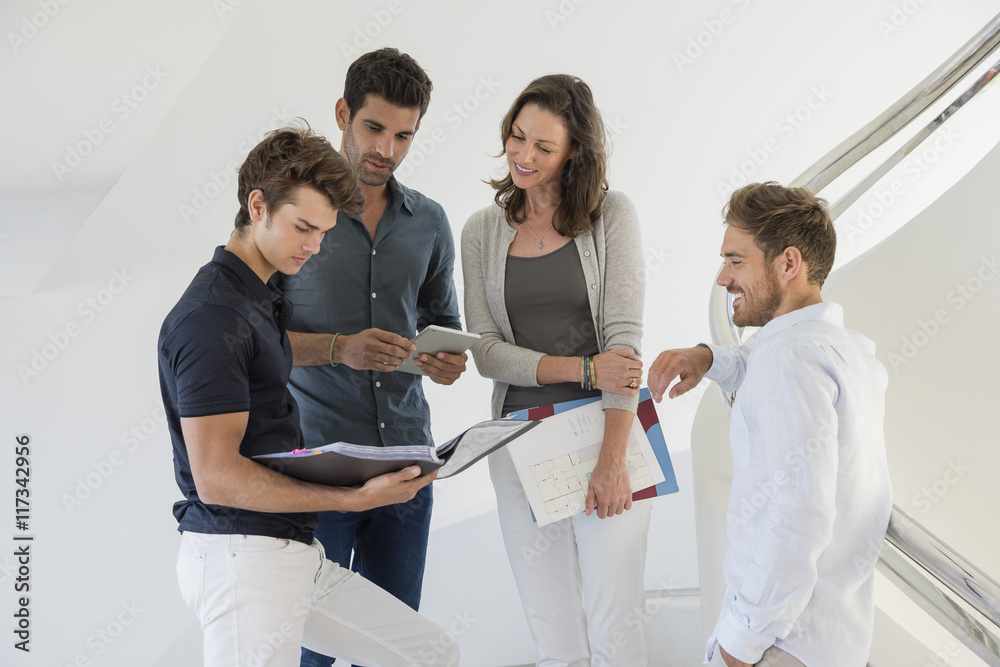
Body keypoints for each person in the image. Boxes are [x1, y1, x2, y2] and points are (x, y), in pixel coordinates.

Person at [158, 125, 458, 667]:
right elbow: (216, 477)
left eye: (323, 232)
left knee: (431, 653)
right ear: (258, 206)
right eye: (303, 228)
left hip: (292, 550)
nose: (314, 247)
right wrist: (350, 499)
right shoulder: (214, 317)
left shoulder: (258, 300)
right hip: (241, 556)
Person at [270, 49, 467, 667]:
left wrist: (447, 360)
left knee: (396, 649)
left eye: (404, 135)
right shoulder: (294, 217)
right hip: (316, 468)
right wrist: (340, 349)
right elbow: (251, 342)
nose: (387, 149)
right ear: (342, 114)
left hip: (407, 462)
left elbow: (444, 324)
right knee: (310, 652)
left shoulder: (429, 221)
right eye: (374, 128)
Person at [648, 182, 892, 667]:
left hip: (780, 645)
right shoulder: (845, 352)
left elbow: (797, 514)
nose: (723, 278)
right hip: (830, 640)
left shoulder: (789, 361)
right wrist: (708, 357)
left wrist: (740, 643)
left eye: (736, 261)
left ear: (788, 264)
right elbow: (758, 361)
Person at [462, 74, 651, 666]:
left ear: (574, 153)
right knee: (553, 633)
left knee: (615, 627)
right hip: (517, 442)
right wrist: (584, 369)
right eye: (517, 137)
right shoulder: (481, 231)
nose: (523, 155)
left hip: (605, 436)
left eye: (544, 147)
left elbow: (624, 344)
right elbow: (486, 352)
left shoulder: (611, 215)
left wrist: (613, 460)